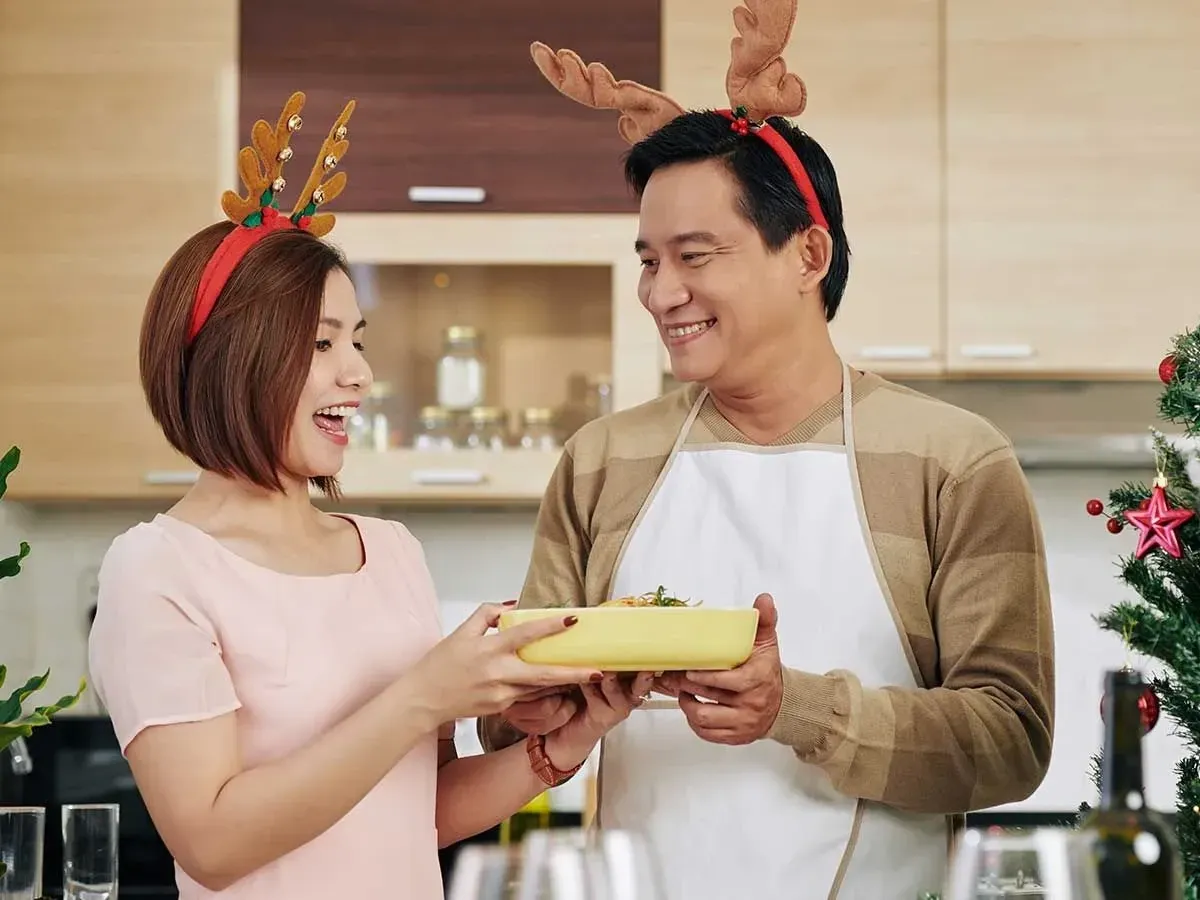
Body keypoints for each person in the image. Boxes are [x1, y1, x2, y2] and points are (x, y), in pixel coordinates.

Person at [478, 2, 1057, 898]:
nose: (661, 292)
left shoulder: (952, 461)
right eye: (647, 259)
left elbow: (1012, 741)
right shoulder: (600, 462)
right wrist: (529, 709)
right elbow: (520, 737)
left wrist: (797, 709)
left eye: (695, 255)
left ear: (808, 253)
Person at [86, 91, 652, 900]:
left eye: (357, 340)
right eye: (321, 344)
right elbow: (211, 840)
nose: (359, 373)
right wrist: (424, 696)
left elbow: (417, 814)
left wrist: (564, 746)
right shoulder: (158, 569)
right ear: (232, 360)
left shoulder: (388, 552)